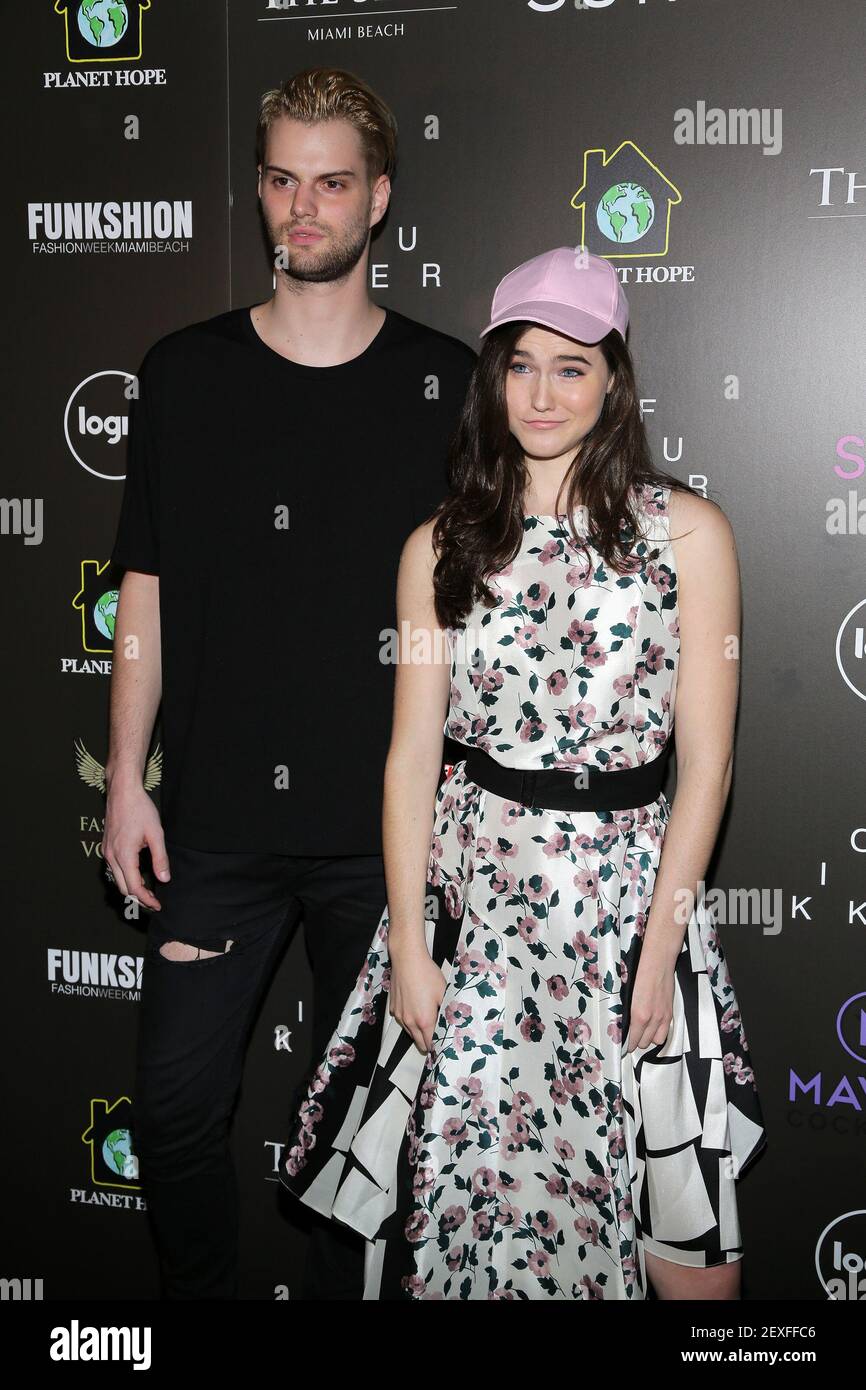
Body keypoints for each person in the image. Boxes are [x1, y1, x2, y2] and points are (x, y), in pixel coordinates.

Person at [278, 245, 768, 1300]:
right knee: (477, 1233)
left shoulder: (688, 536)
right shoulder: (438, 548)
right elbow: (412, 756)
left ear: (612, 382)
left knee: (686, 1253)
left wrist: (659, 942)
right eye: (519, 364)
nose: (541, 393)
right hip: (482, 923)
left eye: (571, 366)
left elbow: (708, 761)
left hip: (625, 912)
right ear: (491, 377)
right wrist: (409, 938)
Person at [103, 67, 476, 1300]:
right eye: (279, 179)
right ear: (257, 190)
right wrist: (124, 784)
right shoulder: (184, 372)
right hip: (212, 828)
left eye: (329, 183)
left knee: (369, 1153)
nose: (300, 207)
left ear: (378, 198)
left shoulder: (451, 383)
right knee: (169, 1116)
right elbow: (143, 593)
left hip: (385, 837)